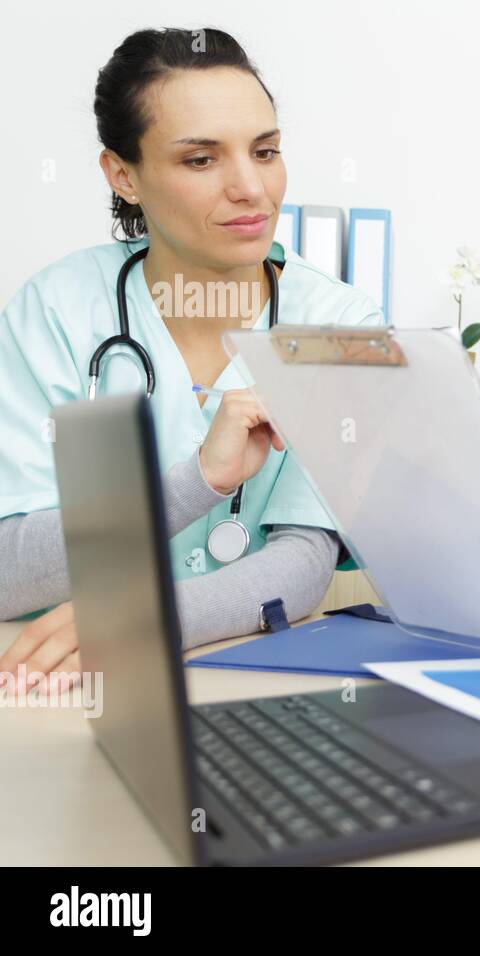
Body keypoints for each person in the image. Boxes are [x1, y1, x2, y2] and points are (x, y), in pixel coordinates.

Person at [0, 28, 382, 688]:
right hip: (57, 682)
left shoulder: (341, 327)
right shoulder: (56, 311)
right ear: (123, 174)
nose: (250, 189)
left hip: (257, 680)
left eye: (265, 152)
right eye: (201, 160)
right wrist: (198, 481)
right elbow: (8, 571)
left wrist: (140, 619)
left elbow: (305, 559)